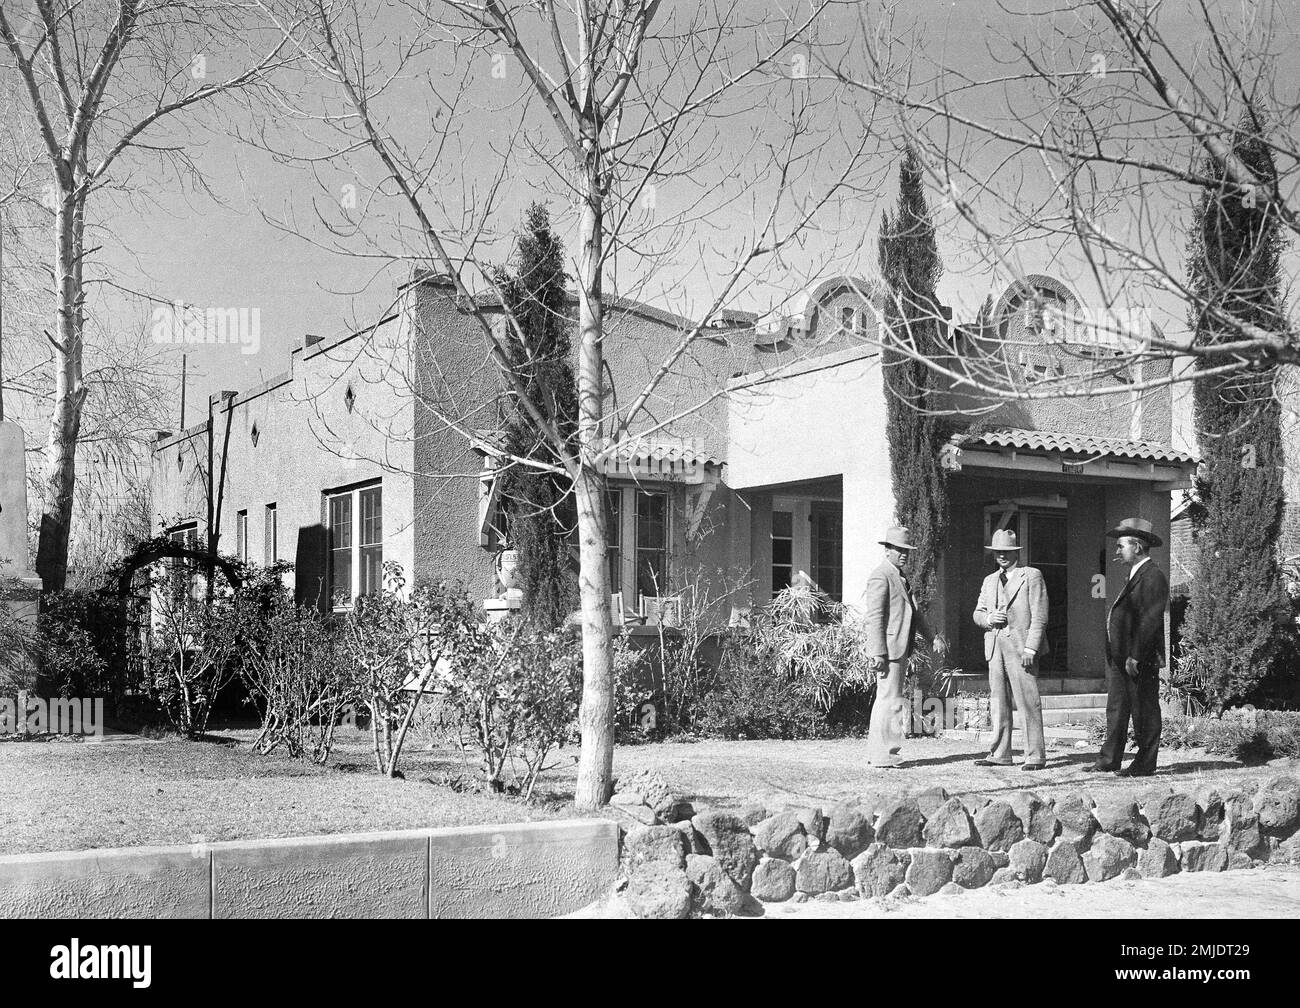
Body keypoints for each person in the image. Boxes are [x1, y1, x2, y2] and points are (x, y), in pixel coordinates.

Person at [1087, 517, 1169, 778]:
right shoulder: (1135, 575)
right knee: (1117, 709)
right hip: (1121, 658)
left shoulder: (1153, 576)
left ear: (1138, 546)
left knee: (1143, 711)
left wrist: (1135, 655)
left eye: (1121, 546)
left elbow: (1150, 621)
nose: (1117, 551)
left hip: (1137, 659)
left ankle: (1144, 764)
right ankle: (1110, 759)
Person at [863, 525, 946, 767]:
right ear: (887, 550)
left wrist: (933, 638)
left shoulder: (900, 576)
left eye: (906, 550)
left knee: (888, 699)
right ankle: (886, 754)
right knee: (889, 700)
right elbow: (874, 617)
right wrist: (877, 651)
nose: (904, 554)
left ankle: (878, 753)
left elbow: (916, 613)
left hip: (897, 648)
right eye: (899, 549)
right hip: (889, 650)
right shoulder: (881, 575)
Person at [972, 528, 1049, 770]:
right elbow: (977, 613)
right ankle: (1000, 753)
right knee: (999, 701)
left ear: (1016, 552)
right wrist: (987, 619)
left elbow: (1040, 617)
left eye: (1006, 552)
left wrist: (1031, 649)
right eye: (998, 552)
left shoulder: (1031, 576)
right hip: (995, 647)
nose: (1002, 556)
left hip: (1021, 648)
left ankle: (1035, 755)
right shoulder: (990, 580)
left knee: (1028, 701)